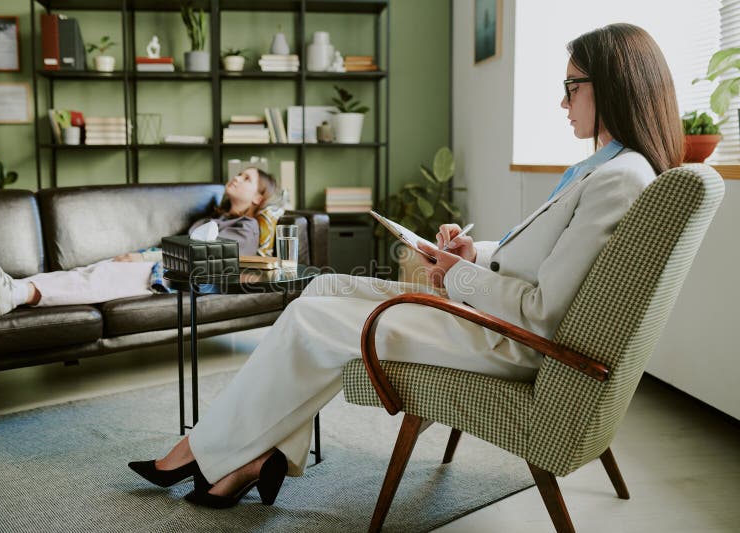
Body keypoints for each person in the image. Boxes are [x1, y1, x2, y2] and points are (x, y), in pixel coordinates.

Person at [128, 23, 683, 509]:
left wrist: (456, 277)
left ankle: (195, 454)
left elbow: (543, 313)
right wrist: (472, 255)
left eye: (572, 86)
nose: (563, 102)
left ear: (610, 86)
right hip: (489, 313)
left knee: (306, 321)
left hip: (507, 339)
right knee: (318, 292)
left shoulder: (618, 178)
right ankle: (256, 458)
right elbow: (546, 261)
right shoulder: (605, 168)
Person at [0, 167, 277, 316]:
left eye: (247, 179)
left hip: (171, 276)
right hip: (161, 266)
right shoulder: (212, 218)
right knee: (87, 272)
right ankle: (9, 287)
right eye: (239, 173)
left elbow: (214, 259)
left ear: (259, 197)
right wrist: (142, 255)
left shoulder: (246, 226)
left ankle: (15, 293)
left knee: (100, 277)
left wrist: (146, 259)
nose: (236, 177)